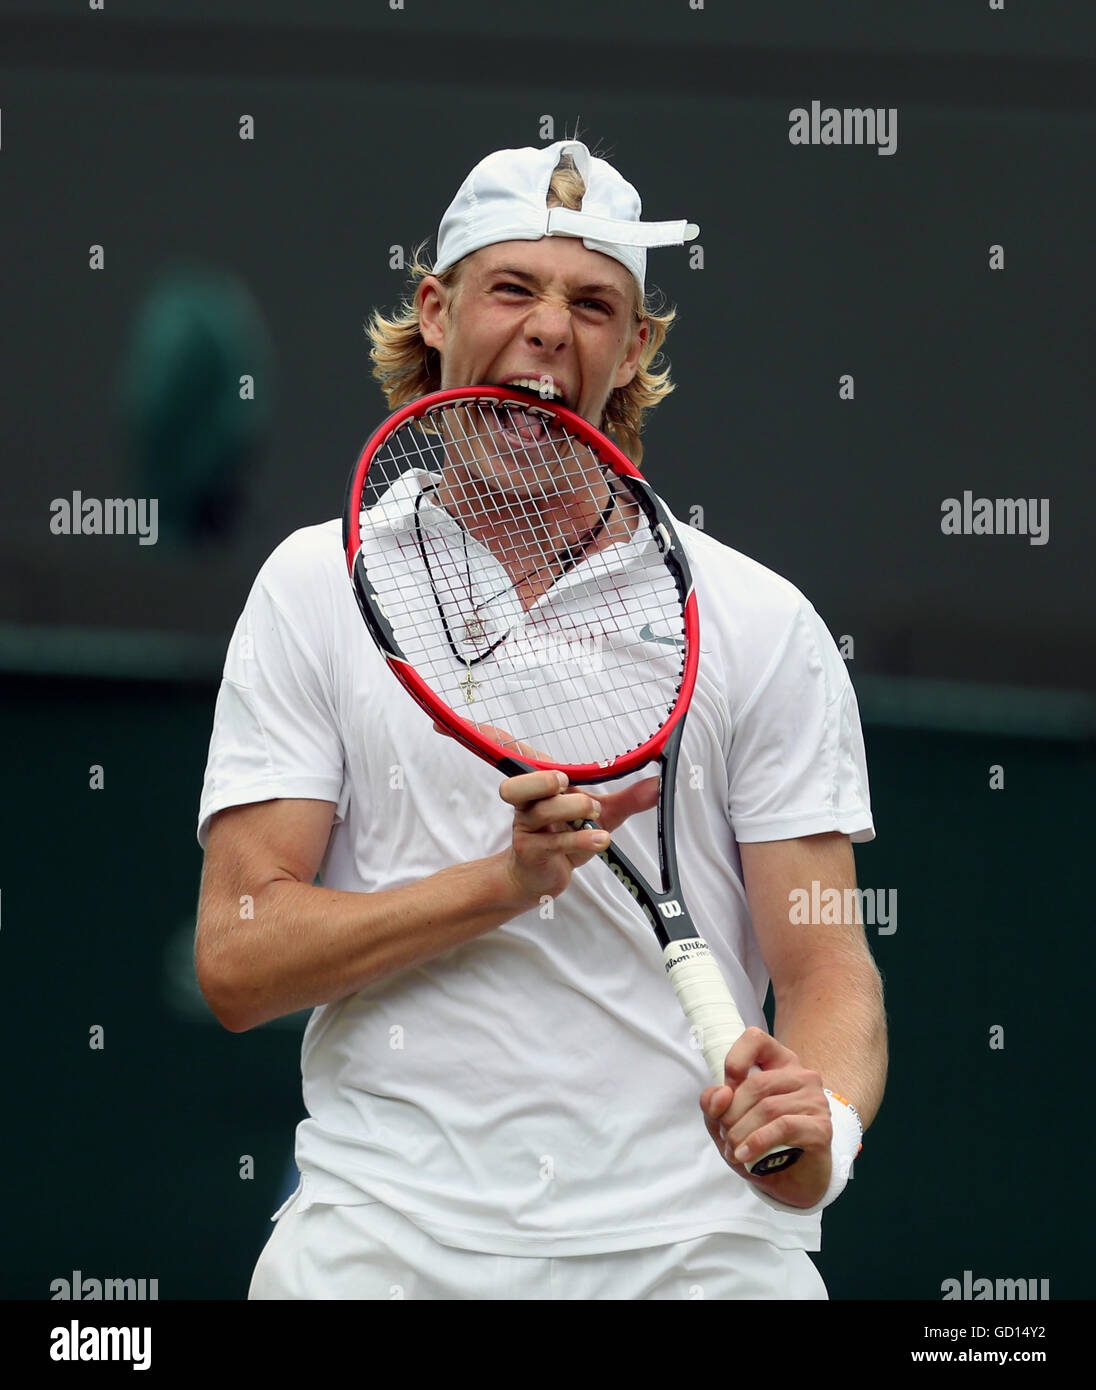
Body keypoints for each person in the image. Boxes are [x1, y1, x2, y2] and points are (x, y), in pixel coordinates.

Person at [195, 139, 887, 1300]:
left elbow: (824, 963)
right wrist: (499, 885)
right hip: (385, 1243)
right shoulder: (312, 588)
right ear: (436, 309)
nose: (550, 328)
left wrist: (822, 1130)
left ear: (635, 349)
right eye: (512, 287)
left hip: (698, 1259)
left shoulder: (761, 620)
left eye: (593, 303)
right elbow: (237, 961)